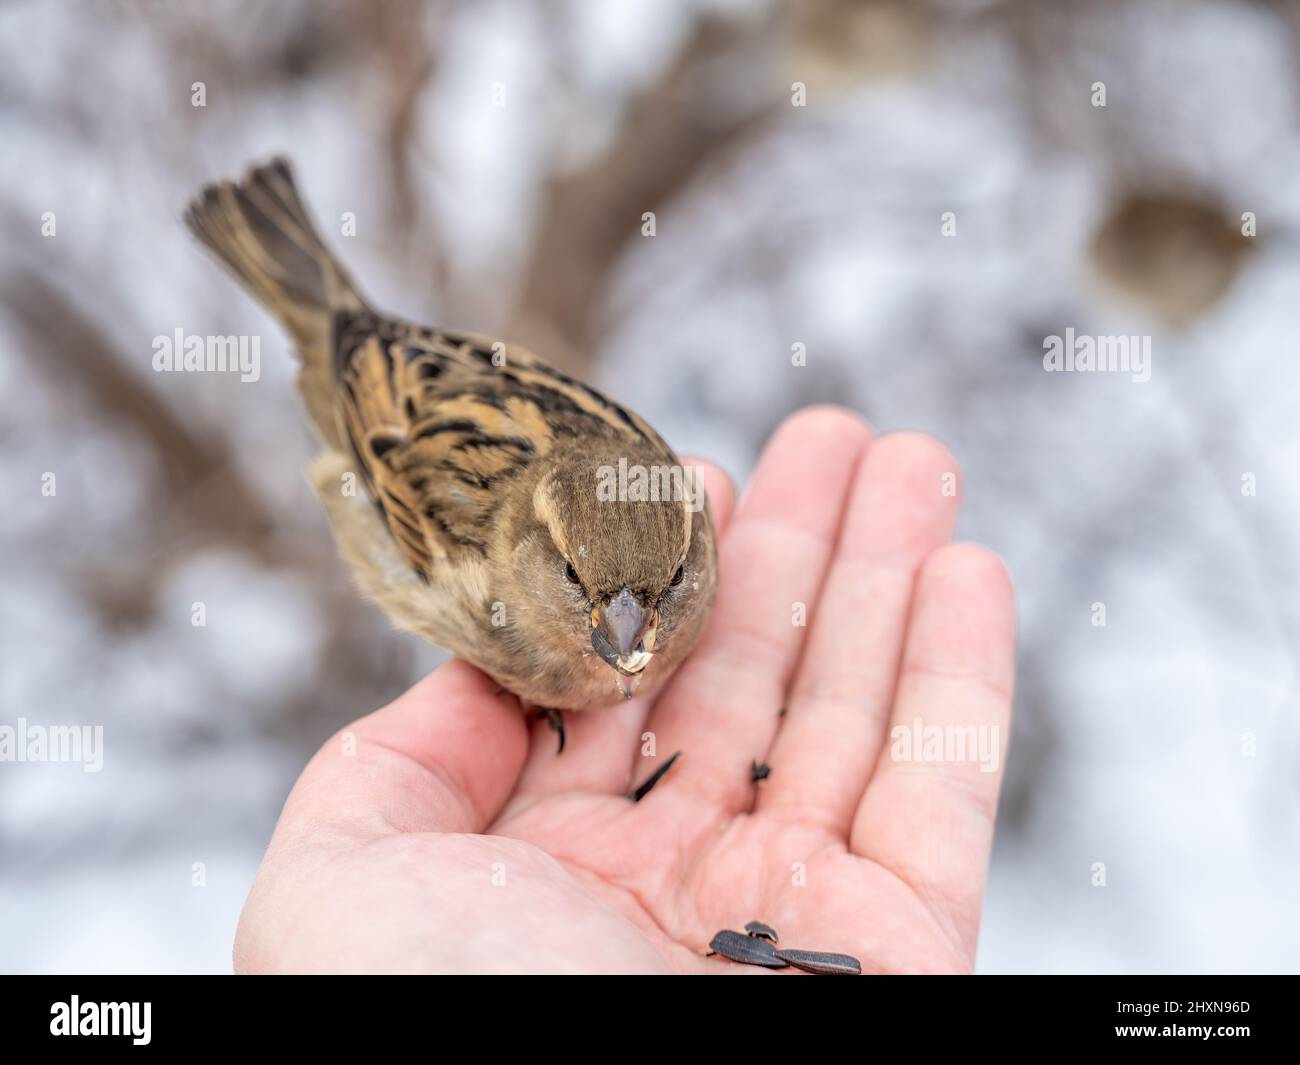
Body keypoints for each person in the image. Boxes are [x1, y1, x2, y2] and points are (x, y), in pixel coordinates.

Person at [233, 408, 1016, 973]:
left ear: (694, 542)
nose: (633, 628)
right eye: (587, 588)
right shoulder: (489, 566)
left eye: (664, 589)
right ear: (542, 556)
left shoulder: (668, 510)